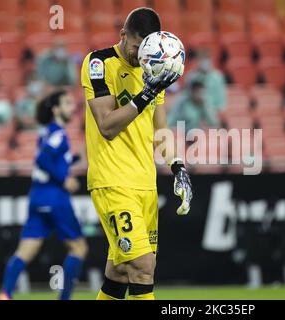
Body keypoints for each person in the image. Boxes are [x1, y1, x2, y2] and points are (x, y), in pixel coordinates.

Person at [81, 7, 193, 300]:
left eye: (144, 49)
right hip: (113, 181)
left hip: (145, 184)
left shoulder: (152, 67)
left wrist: (178, 165)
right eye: (135, 47)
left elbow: (161, 130)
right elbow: (106, 126)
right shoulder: (99, 63)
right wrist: (145, 94)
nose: (139, 55)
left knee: (118, 273)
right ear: (123, 35)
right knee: (143, 268)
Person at [0, 90, 88, 300]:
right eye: (66, 103)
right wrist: (64, 179)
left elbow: (52, 160)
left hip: (37, 197)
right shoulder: (57, 133)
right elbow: (43, 160)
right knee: (79, 248)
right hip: (55, 198)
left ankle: (5, 294)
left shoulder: (46, 132)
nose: (72, 107)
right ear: (56, 109)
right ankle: (64, 298)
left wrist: (75, 158)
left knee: (25, 250)